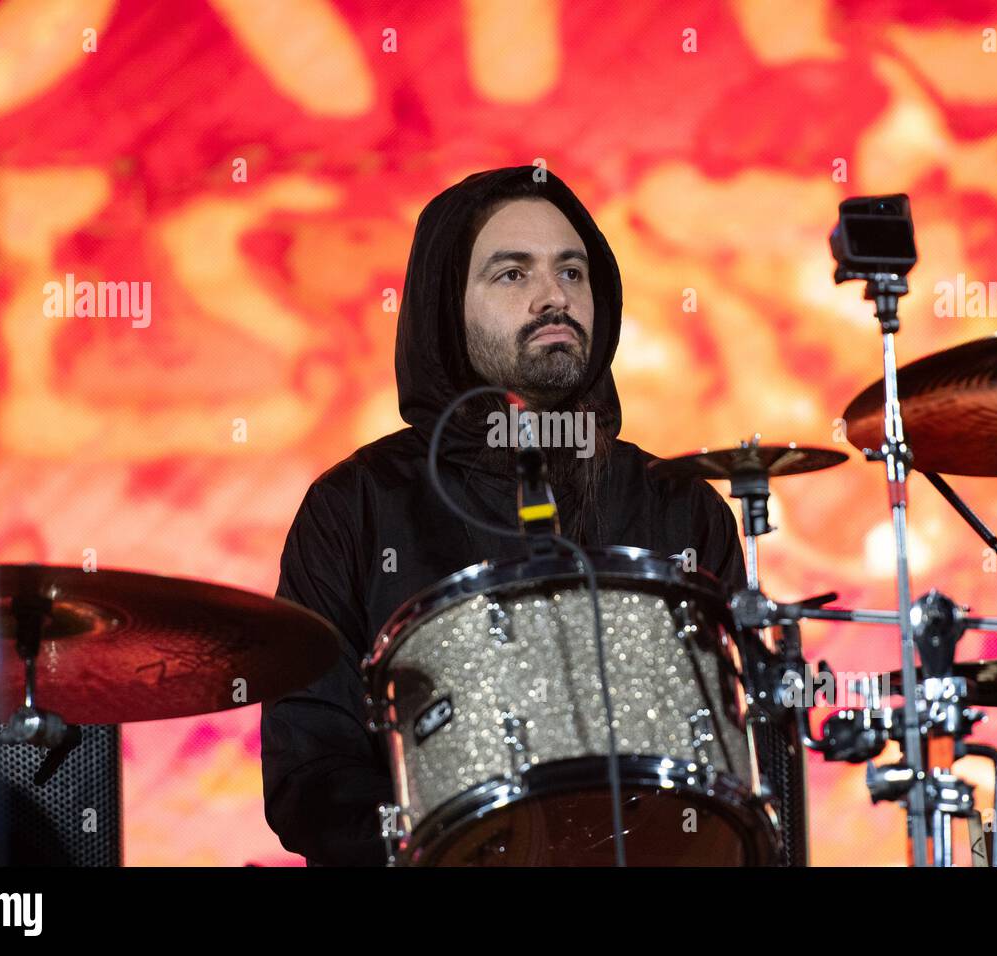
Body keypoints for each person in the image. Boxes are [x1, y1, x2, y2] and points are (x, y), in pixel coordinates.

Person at [260, 165, 746, 865]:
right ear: (444, 310)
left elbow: (747, 750)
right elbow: (309, 769)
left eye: (573, 273)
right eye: (513, 275)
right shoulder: (356, 508)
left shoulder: (680, 507)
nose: (555, 297)